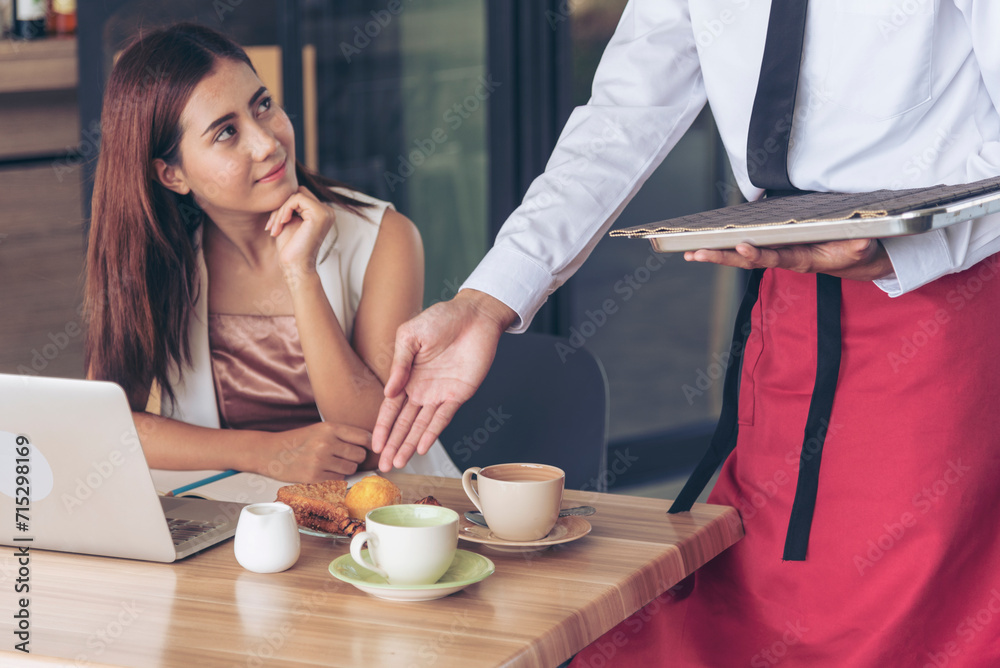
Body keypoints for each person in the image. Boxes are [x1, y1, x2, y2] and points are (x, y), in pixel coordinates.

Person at [372, 1, 1000, 665]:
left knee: (910, 614)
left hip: (944, 317)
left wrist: (912, 248)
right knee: (730, 601)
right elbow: (624, 115)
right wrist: (486, 299)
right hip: (788, 318)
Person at [84, 23, 458, 483]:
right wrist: (263, 452)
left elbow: (374, 438)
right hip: (234, 524)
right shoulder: (160, 256)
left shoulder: (385, 237)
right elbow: (107, 424)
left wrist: (301, 275)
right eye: (225, 133)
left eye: (262, 105)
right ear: (171, 175)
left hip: (384, 518)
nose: (267, 142)